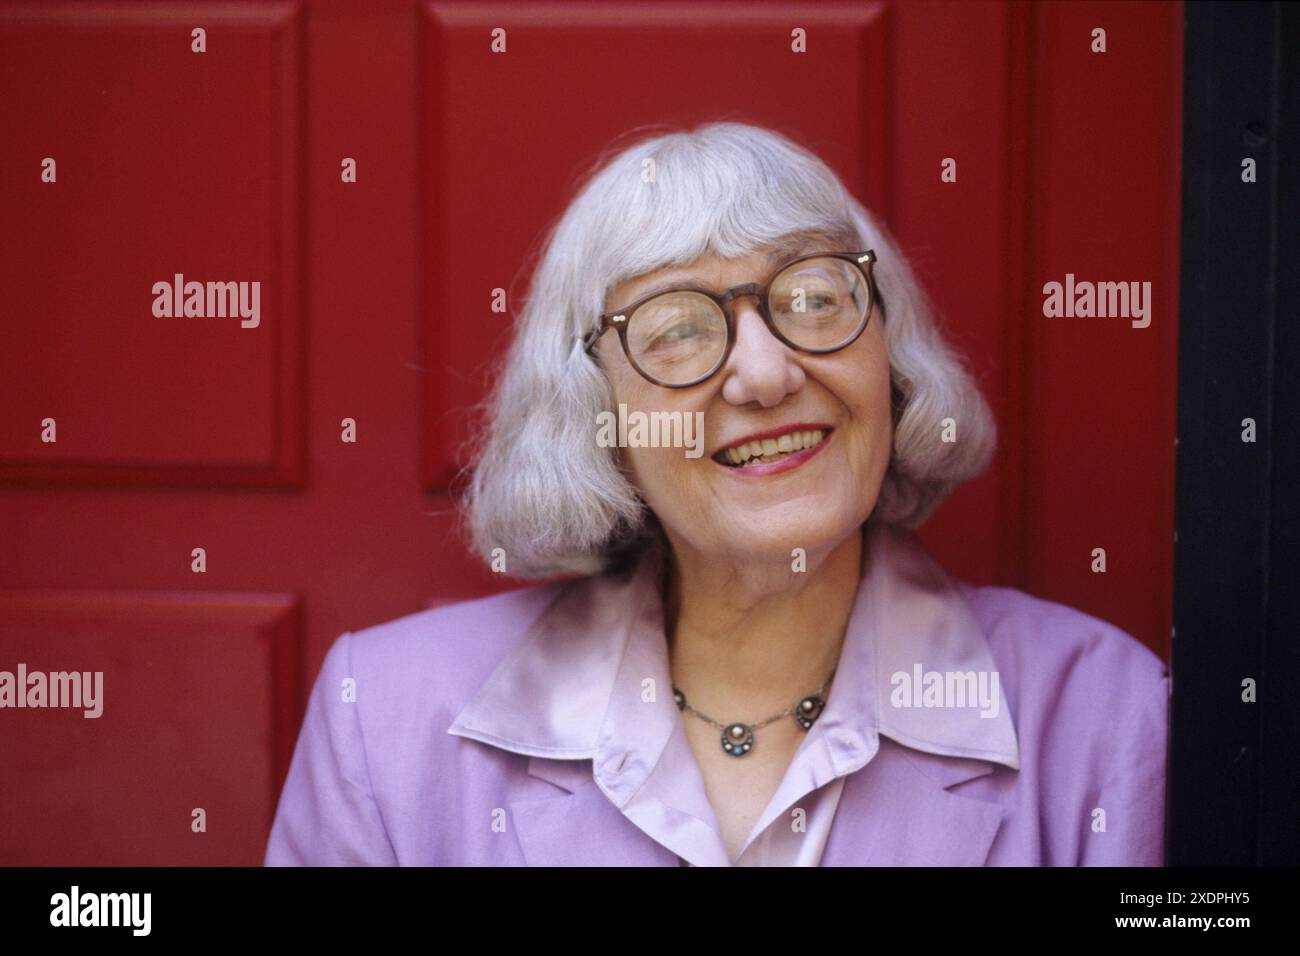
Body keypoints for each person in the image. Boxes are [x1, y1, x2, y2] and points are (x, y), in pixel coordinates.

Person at [265, 122, 1169, 866]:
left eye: (816, 298)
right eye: (676, 329)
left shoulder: (1102, 715)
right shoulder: (382, 719)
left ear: (888, 358)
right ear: (595, 412)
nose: (767, 374)